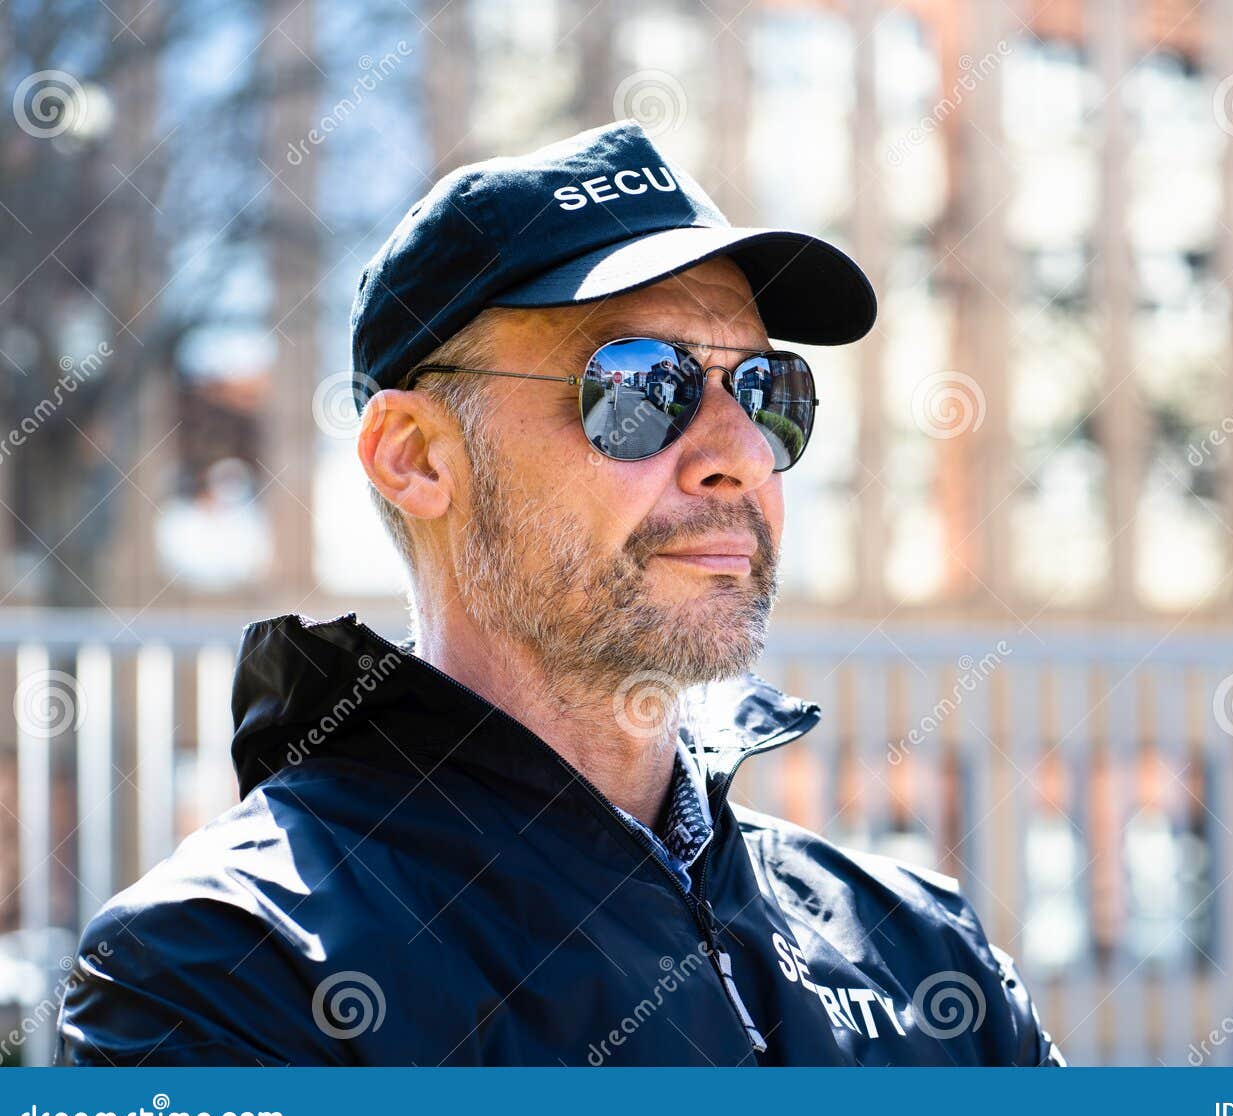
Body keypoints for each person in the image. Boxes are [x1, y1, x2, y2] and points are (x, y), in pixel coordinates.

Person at [57, 121, 1062, 1066]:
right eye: (638, 383)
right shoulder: (226, 968)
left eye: (767, 391)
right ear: (415, 457)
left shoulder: (927, 955)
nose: (742, 454)